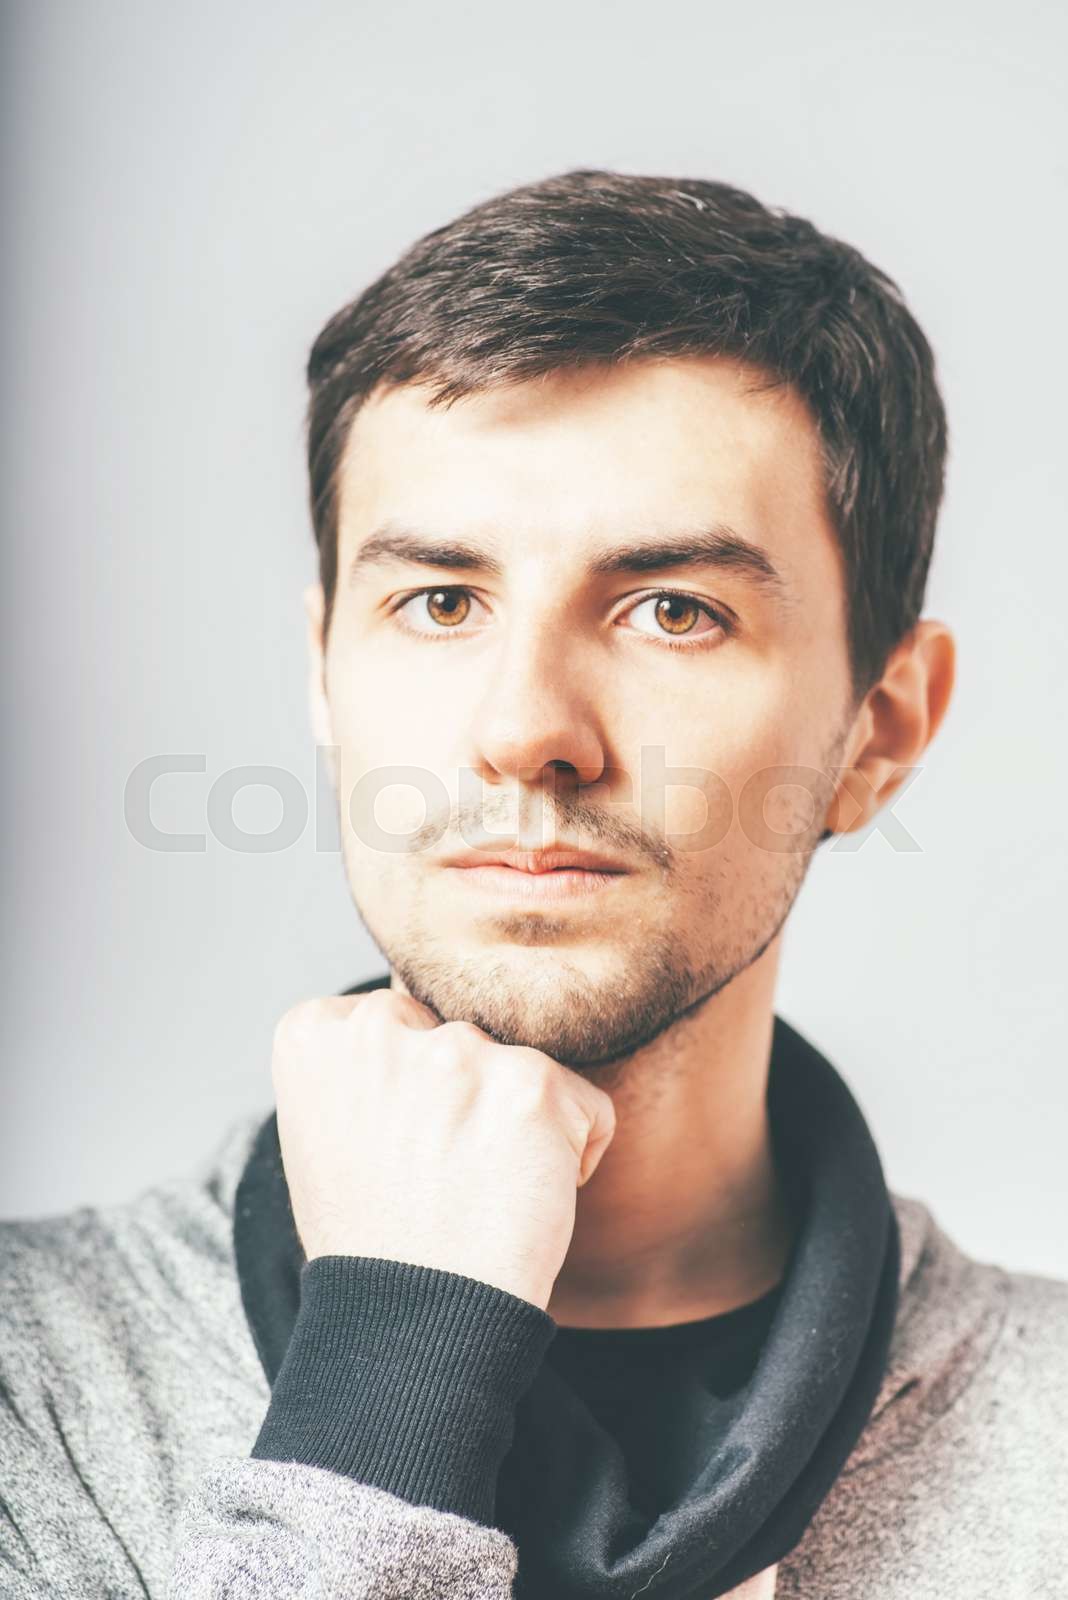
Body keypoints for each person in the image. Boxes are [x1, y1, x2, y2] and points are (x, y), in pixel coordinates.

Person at [2, 169, 1065, 1600]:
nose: (527, 731)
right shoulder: (31, 1385)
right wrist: (392, 1370)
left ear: (880, 728)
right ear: (325, 671)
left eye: (674, 611)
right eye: (439, 601)